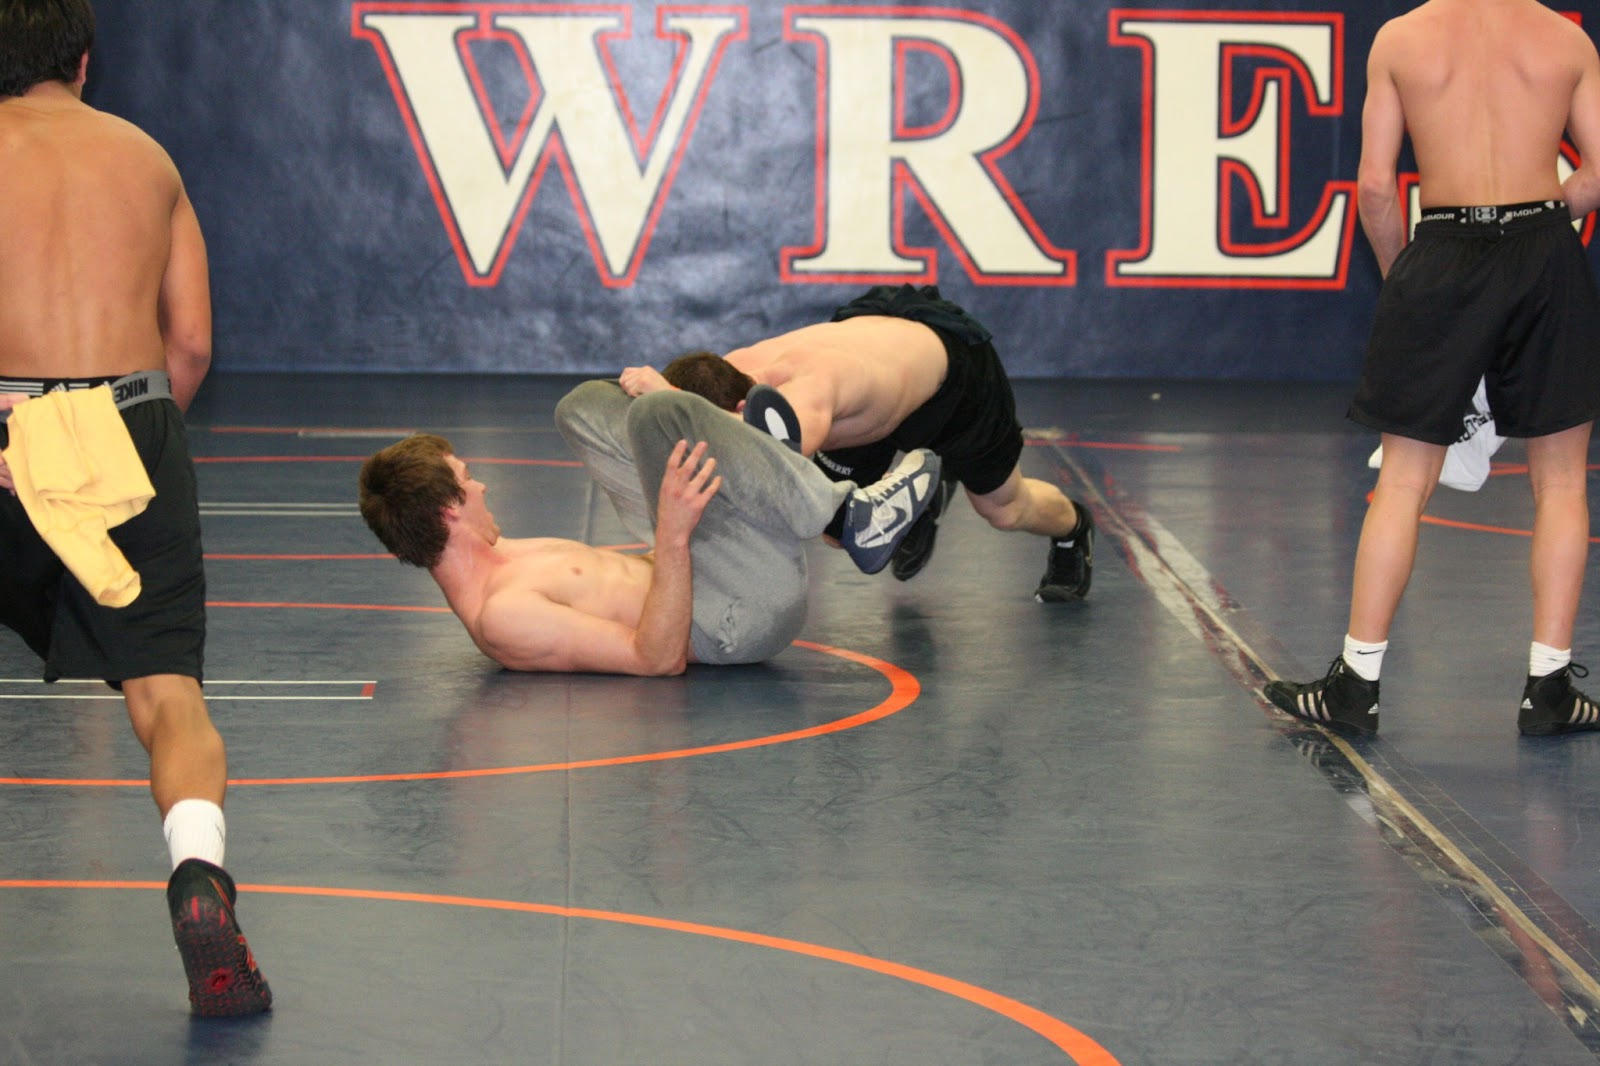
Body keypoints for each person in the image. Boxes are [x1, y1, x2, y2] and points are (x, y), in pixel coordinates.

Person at [0, 0, 270, 1016]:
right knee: (167, 697)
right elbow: (190, 343)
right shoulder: (148, 157)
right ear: (83, 60)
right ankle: (198, 876)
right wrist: (120, 449)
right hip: (125, 423)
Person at [1264, 0, 1600, 737]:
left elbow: (1378, 189)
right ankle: (1547, 690)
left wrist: (1405, 282)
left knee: (1404, 481)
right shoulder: (1565, 38)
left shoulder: (1402, 38)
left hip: (1443, 252)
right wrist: (1544, 214)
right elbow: (1598, 177)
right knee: (1562, 481)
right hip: (1544, 250)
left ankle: (1357, 683)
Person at [357, 383, 942, 674]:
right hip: (732, 618)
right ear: (448, 513)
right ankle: (846, 516)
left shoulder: (501, 557)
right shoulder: (504, 617)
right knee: (665, 414)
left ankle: (767, 468)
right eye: (467, 480)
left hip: (692, 569)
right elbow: (656, 659)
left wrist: (671, 532)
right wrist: (673, 534)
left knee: (584, 407)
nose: (481, 485)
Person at [618, 284, 1094, 599]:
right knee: (837, 529)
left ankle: (1073, 532)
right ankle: (920, 492)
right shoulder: (728, 370)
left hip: (953, 377)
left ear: (745, 412)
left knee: (1004, 509)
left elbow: (760, 469)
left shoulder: (807, 395)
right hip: (874, 375)